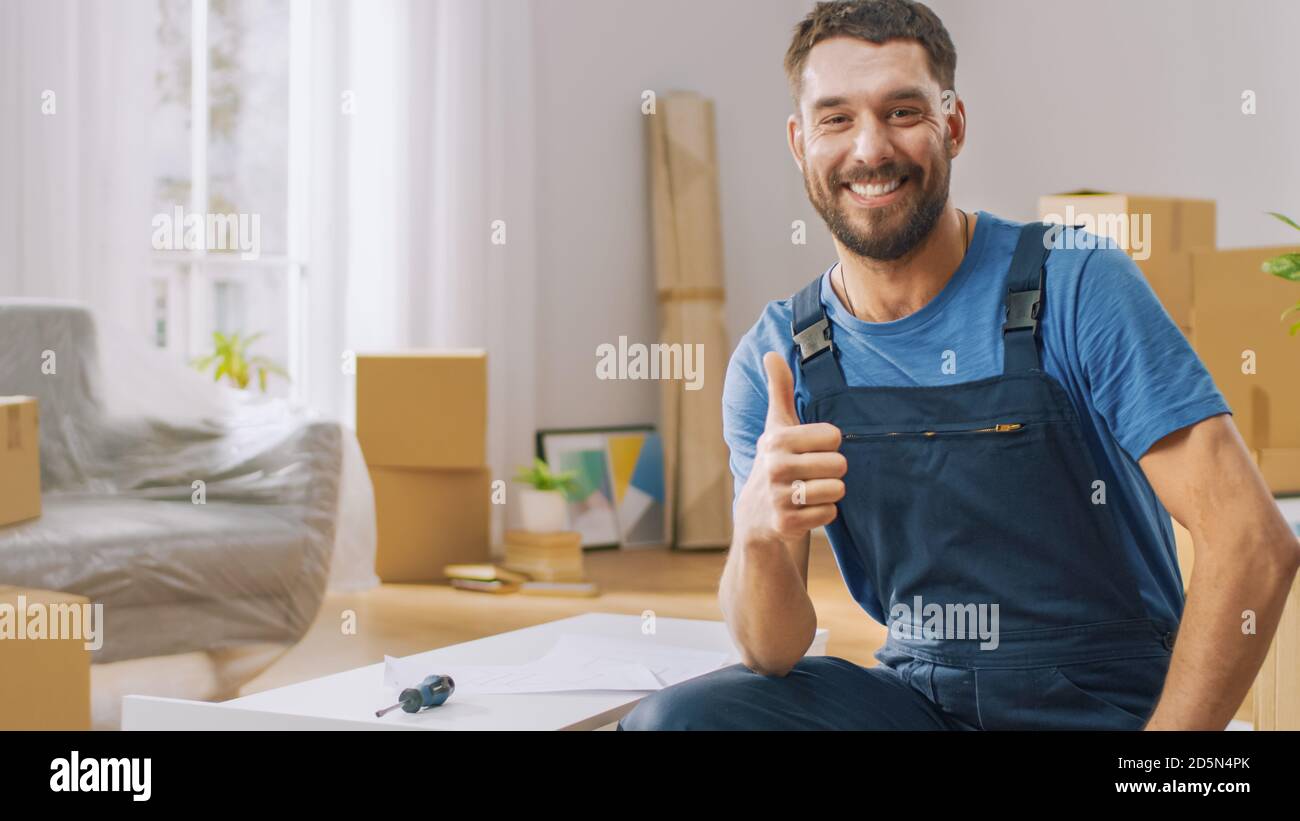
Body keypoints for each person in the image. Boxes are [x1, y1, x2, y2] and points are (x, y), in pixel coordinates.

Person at [619, 0, 1298, 731]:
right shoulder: (777, 359)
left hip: (1107, 707)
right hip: (920, 699)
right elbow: (771, 647)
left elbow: (1252, 539)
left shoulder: (1074, 283)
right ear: (799, 141)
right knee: (676, 723)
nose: (870, 149)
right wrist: (756, 528)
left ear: (954, 124)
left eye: (903, 110)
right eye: (836, 118)